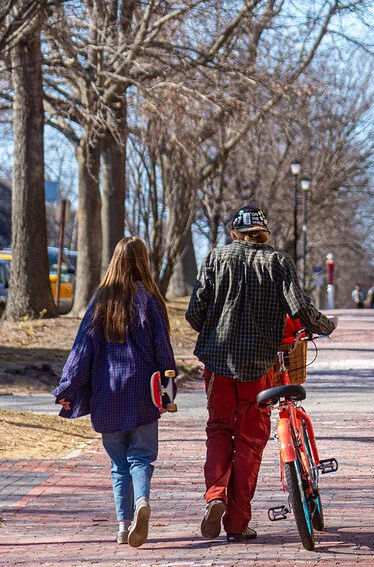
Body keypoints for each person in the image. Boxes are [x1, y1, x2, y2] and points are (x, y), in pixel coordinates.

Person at [186, 205, 337, 544]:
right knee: (251, 440)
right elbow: (300, 309)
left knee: (219, 430)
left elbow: (194, 313)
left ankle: (215, 495)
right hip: (258, 365)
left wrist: (214, 327)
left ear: (234, 233)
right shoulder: (277, 262)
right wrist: (327, 326)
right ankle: (237, 523)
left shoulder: (214, 258)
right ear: (264, 234)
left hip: (218, 363)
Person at [53, 237, 176, 548]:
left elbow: (82, 350)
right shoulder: (149, 300)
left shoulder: (101, 300)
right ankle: (142, 502)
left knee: (118, 464)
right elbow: (164, 352)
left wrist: (67, 388)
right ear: (143, 263)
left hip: (107, 395)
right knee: (142, 458)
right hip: (144, 393)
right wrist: (168, 394)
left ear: (115, 262)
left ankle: (123, 525)